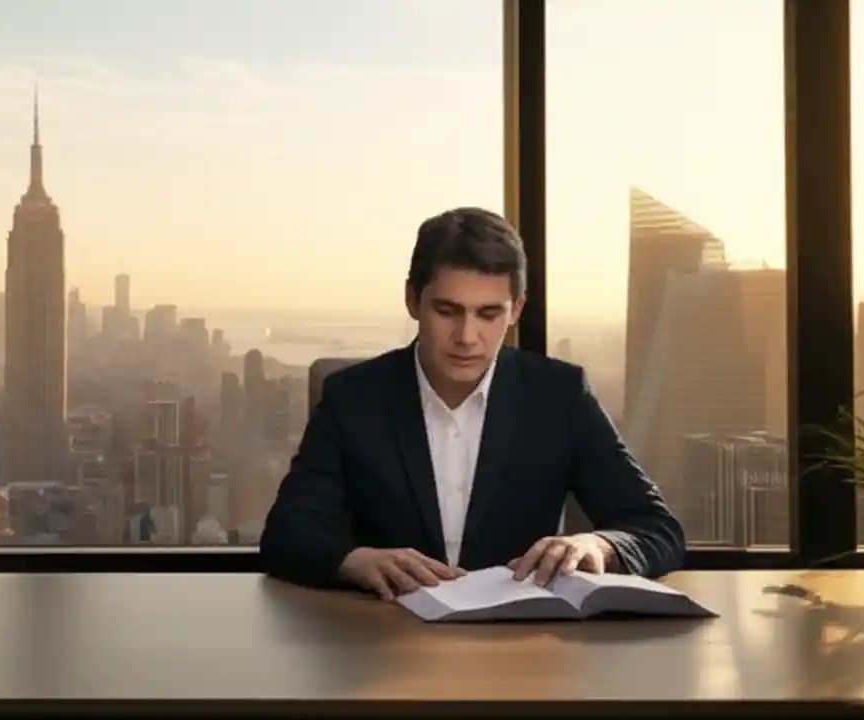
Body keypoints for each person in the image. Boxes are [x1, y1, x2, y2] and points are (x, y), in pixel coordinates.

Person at [259, 207, 684, 600]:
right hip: (383, 641)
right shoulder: (353, 397)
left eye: (488, 314)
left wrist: (597, 543)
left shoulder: (559, 396)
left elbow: (657, 530)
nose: (466, 337)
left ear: (516, 309)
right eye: (447, 311)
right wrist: (356, 562)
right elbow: (287, 534)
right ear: (413, 300)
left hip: (517, 648)